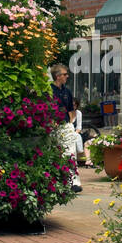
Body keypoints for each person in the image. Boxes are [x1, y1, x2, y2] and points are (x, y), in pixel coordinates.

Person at [50, 62, 81, 193]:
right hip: (53, 128)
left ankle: (74, 182)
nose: (67, 76)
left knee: (70, 154)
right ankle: (57, 182)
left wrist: (69, 124)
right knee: (56, 154)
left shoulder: (67, 91)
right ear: (57, 76)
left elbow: (71, 109)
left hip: (65, 126)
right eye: (64, 74)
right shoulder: (50, 90)